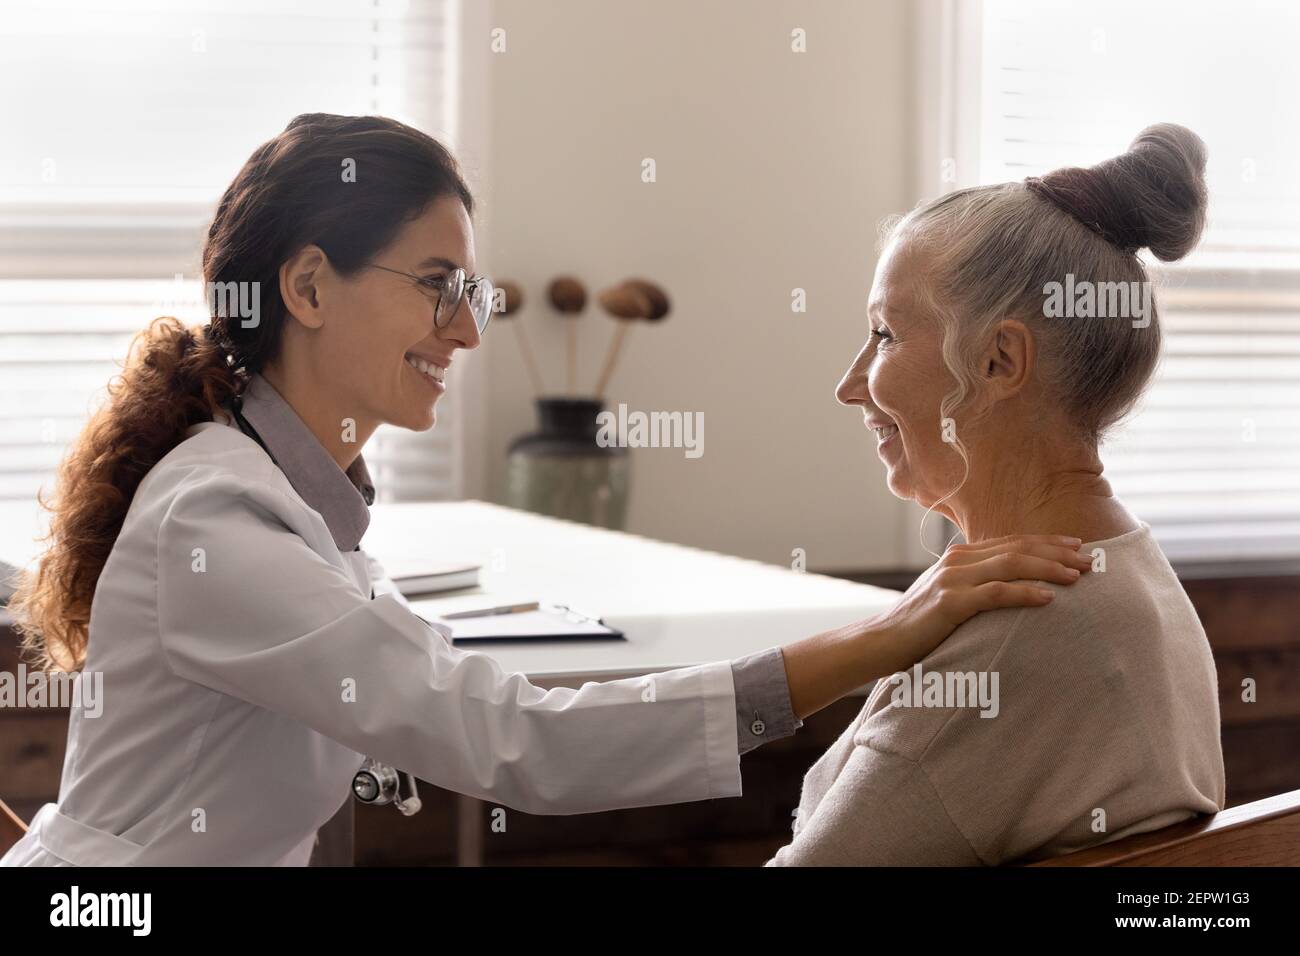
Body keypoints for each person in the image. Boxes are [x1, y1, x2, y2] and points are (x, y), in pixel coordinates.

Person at [1, 114, 1088, 866]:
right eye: (438, 288)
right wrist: (883, 633)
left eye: (472, 293)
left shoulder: (291, 497)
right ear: (307, 285)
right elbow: (526, 744)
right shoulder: (218, 517)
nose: (468, 329)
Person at [766, 124, 1226, 866]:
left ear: (999, 360)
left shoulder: (1022, 628)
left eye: (885, 335)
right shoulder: (1130, 575)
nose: (850, 385)